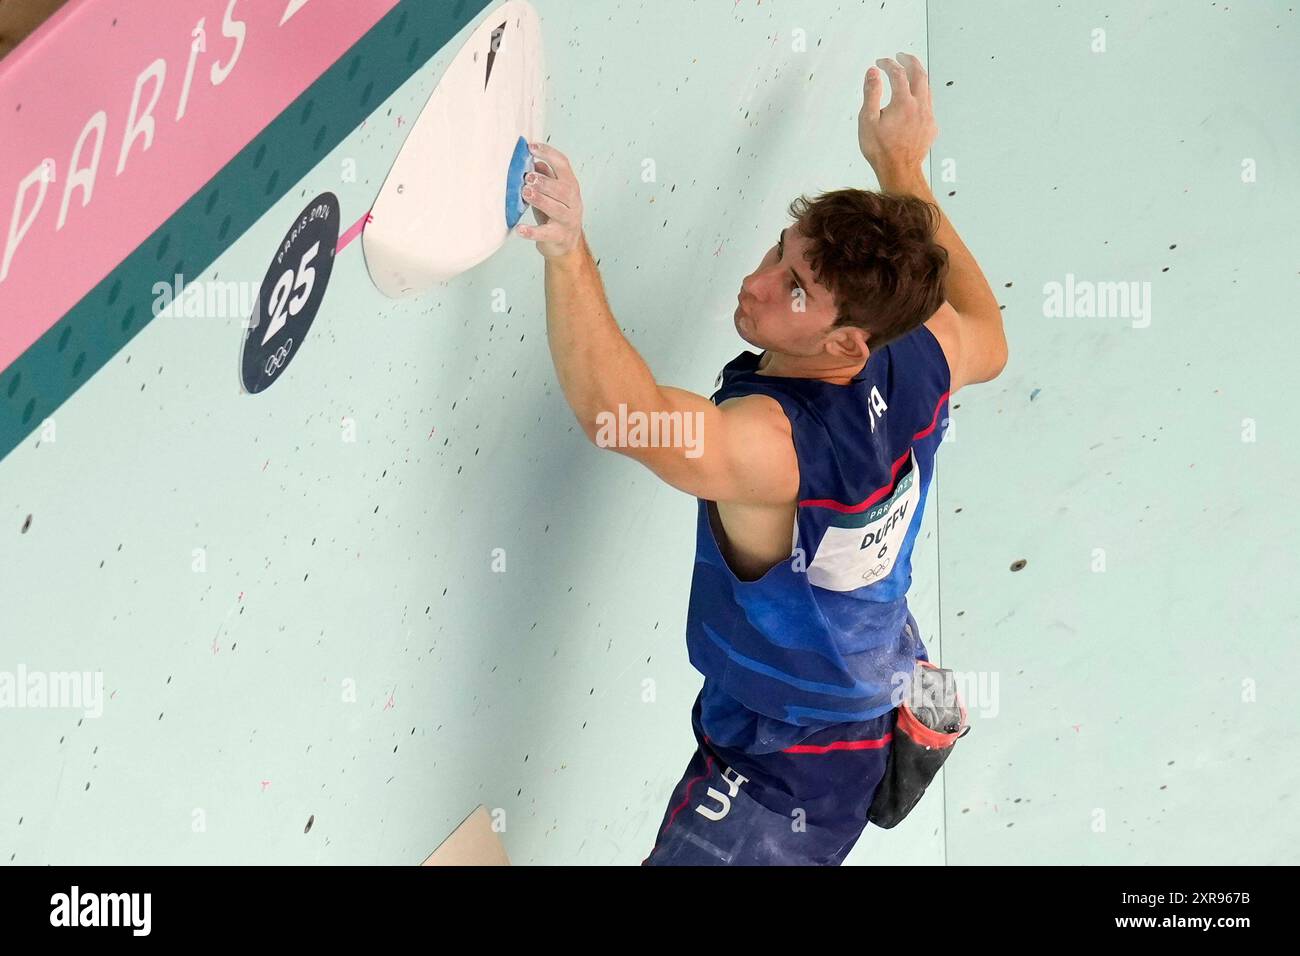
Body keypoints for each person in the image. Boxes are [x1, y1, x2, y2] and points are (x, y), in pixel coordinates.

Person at [519, 53, 1007, 865]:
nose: (756, 283)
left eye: (796, 292)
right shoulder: (925, 350)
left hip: (797, 761)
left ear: (848, 342)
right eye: (781, 253)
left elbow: (624, 418)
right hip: (878, 664)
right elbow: (989, 330)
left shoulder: (773, 447)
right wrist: (901, 170)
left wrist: (568, 249)